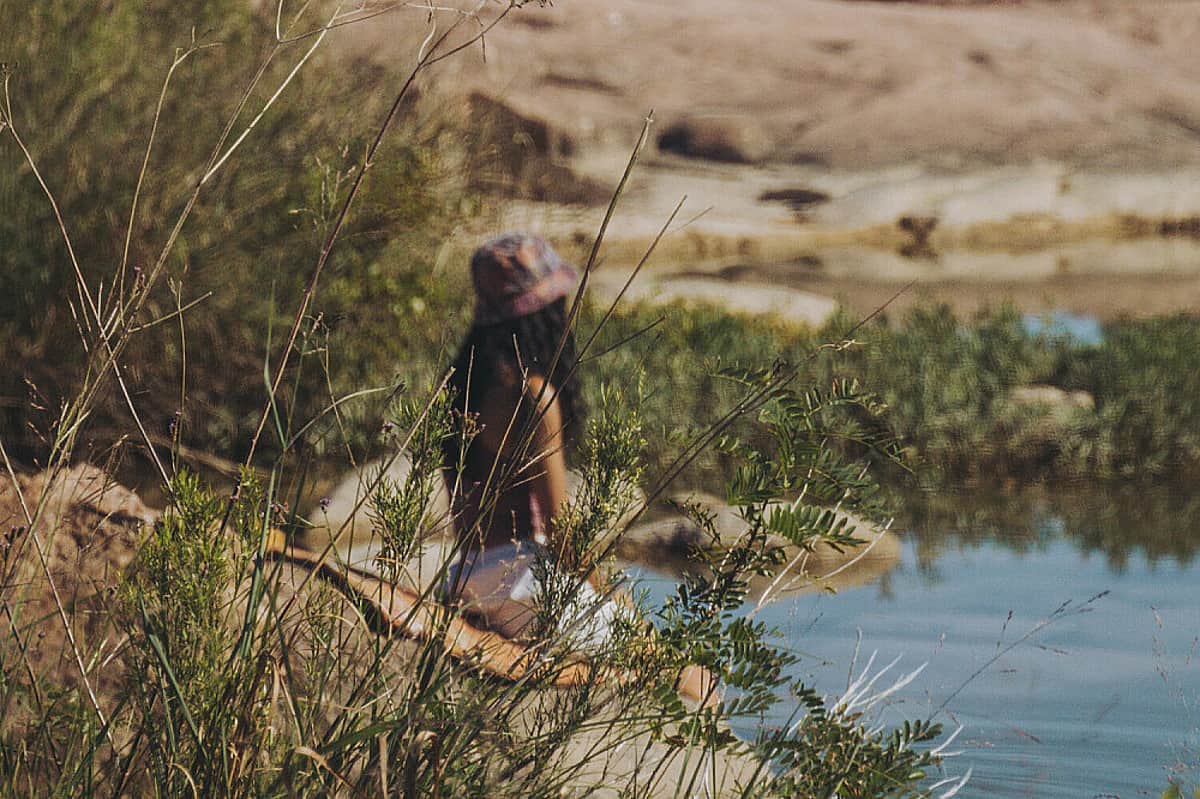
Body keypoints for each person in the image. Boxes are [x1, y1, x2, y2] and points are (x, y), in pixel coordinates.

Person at [440, 232, 618, 649]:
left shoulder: (464, 383)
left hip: (467, 576)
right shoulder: (533, 396)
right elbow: (561, 533)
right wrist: (611, 599)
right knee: (672, 669)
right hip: (520, 582)